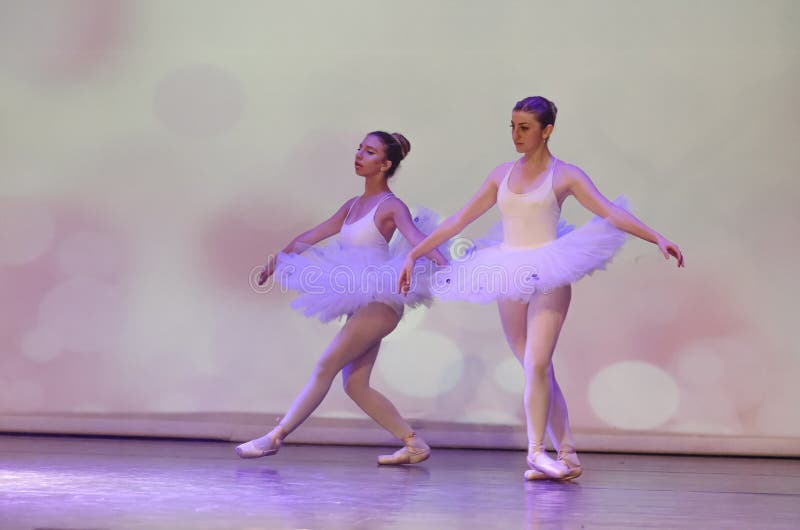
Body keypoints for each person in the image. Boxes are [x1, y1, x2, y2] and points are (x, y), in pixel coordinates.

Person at [398, 97, 684, 480]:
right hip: (506, 270)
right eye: (512, 126)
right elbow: (460, 218)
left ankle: (535, 452)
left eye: (525, 128)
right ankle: (567, 454)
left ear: (546, 131)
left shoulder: (566, 175)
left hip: (549, 269)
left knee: (536, 363)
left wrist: (657, 237)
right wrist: (415, 253)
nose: (516, 135)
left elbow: (609, 211)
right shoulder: (501, 174)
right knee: (537, 369)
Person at [236, 131, 449, 465]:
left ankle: (275, 437)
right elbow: (311, 236)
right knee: (356, 385)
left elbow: (417, 238)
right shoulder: (353, 206)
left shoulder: (391, 206)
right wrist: (278, 260)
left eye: (369, 151)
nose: (359, 155)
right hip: (359, 299)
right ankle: (414, 443)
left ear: (386, 164)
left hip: (381, 301)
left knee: (326, 365)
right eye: (359, 149)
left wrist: (447, 265)